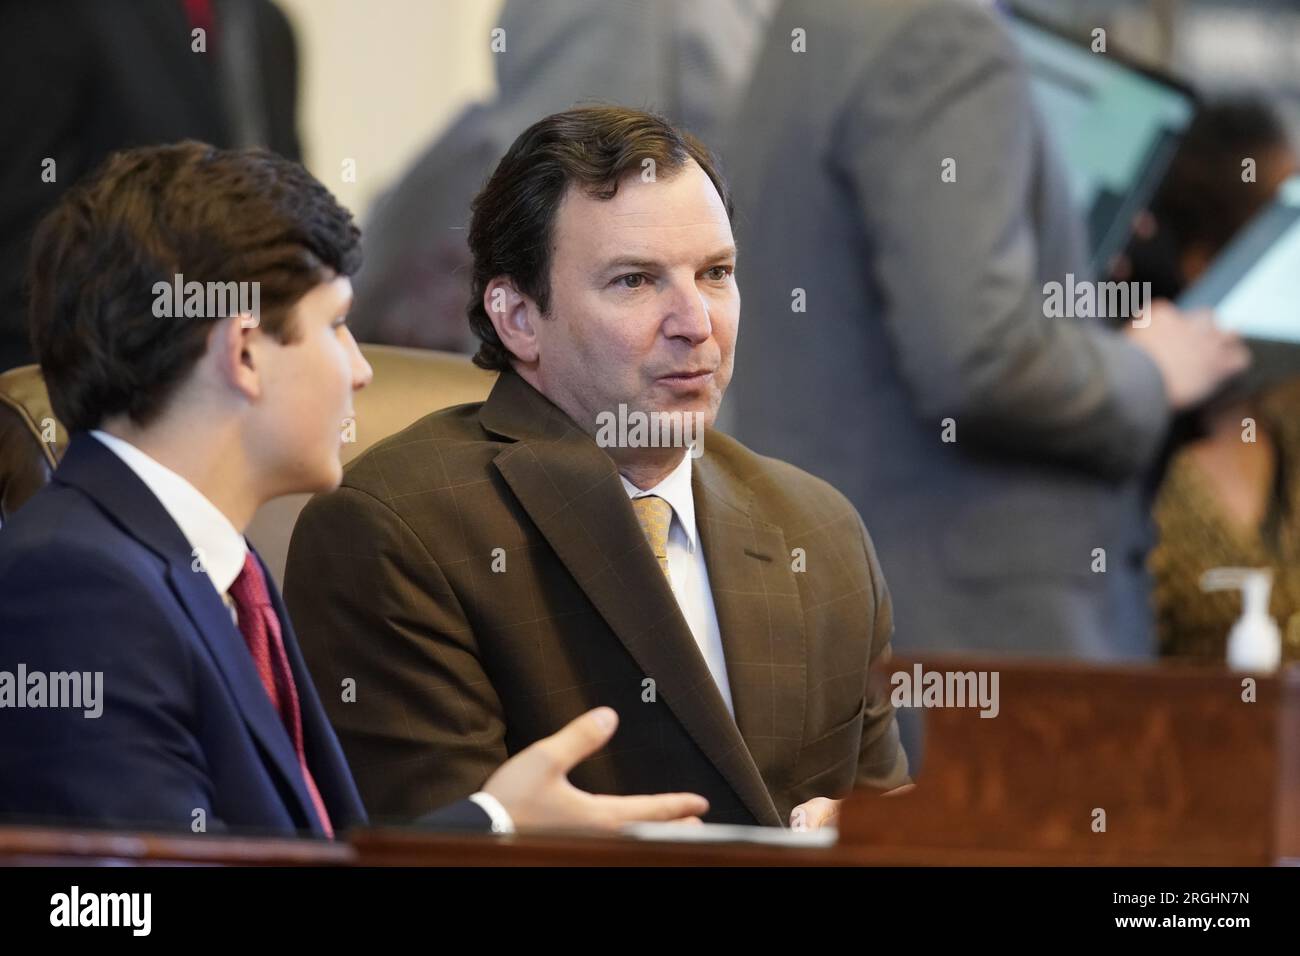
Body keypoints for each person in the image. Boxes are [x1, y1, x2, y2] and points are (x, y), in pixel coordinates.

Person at [0, 142, 708, 837]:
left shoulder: (224, 571)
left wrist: (495, 823)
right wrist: (494, 827)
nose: (360, 369)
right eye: (334, 325)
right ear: (242, 351)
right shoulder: (78, 585)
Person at [285, 106, 910, 831]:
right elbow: (430, 852)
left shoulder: (820, 529)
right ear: (519, 316)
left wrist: (868, 836)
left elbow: (889, 814)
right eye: (635, 282)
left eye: (716, 273)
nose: (696, 322)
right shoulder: (396, 528)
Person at [722, 0, 1249, 664]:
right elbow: (982, 362)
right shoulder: (941, 35)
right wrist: (1153, 368)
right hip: (962, 631)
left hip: (859, 605)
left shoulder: (825, 23)